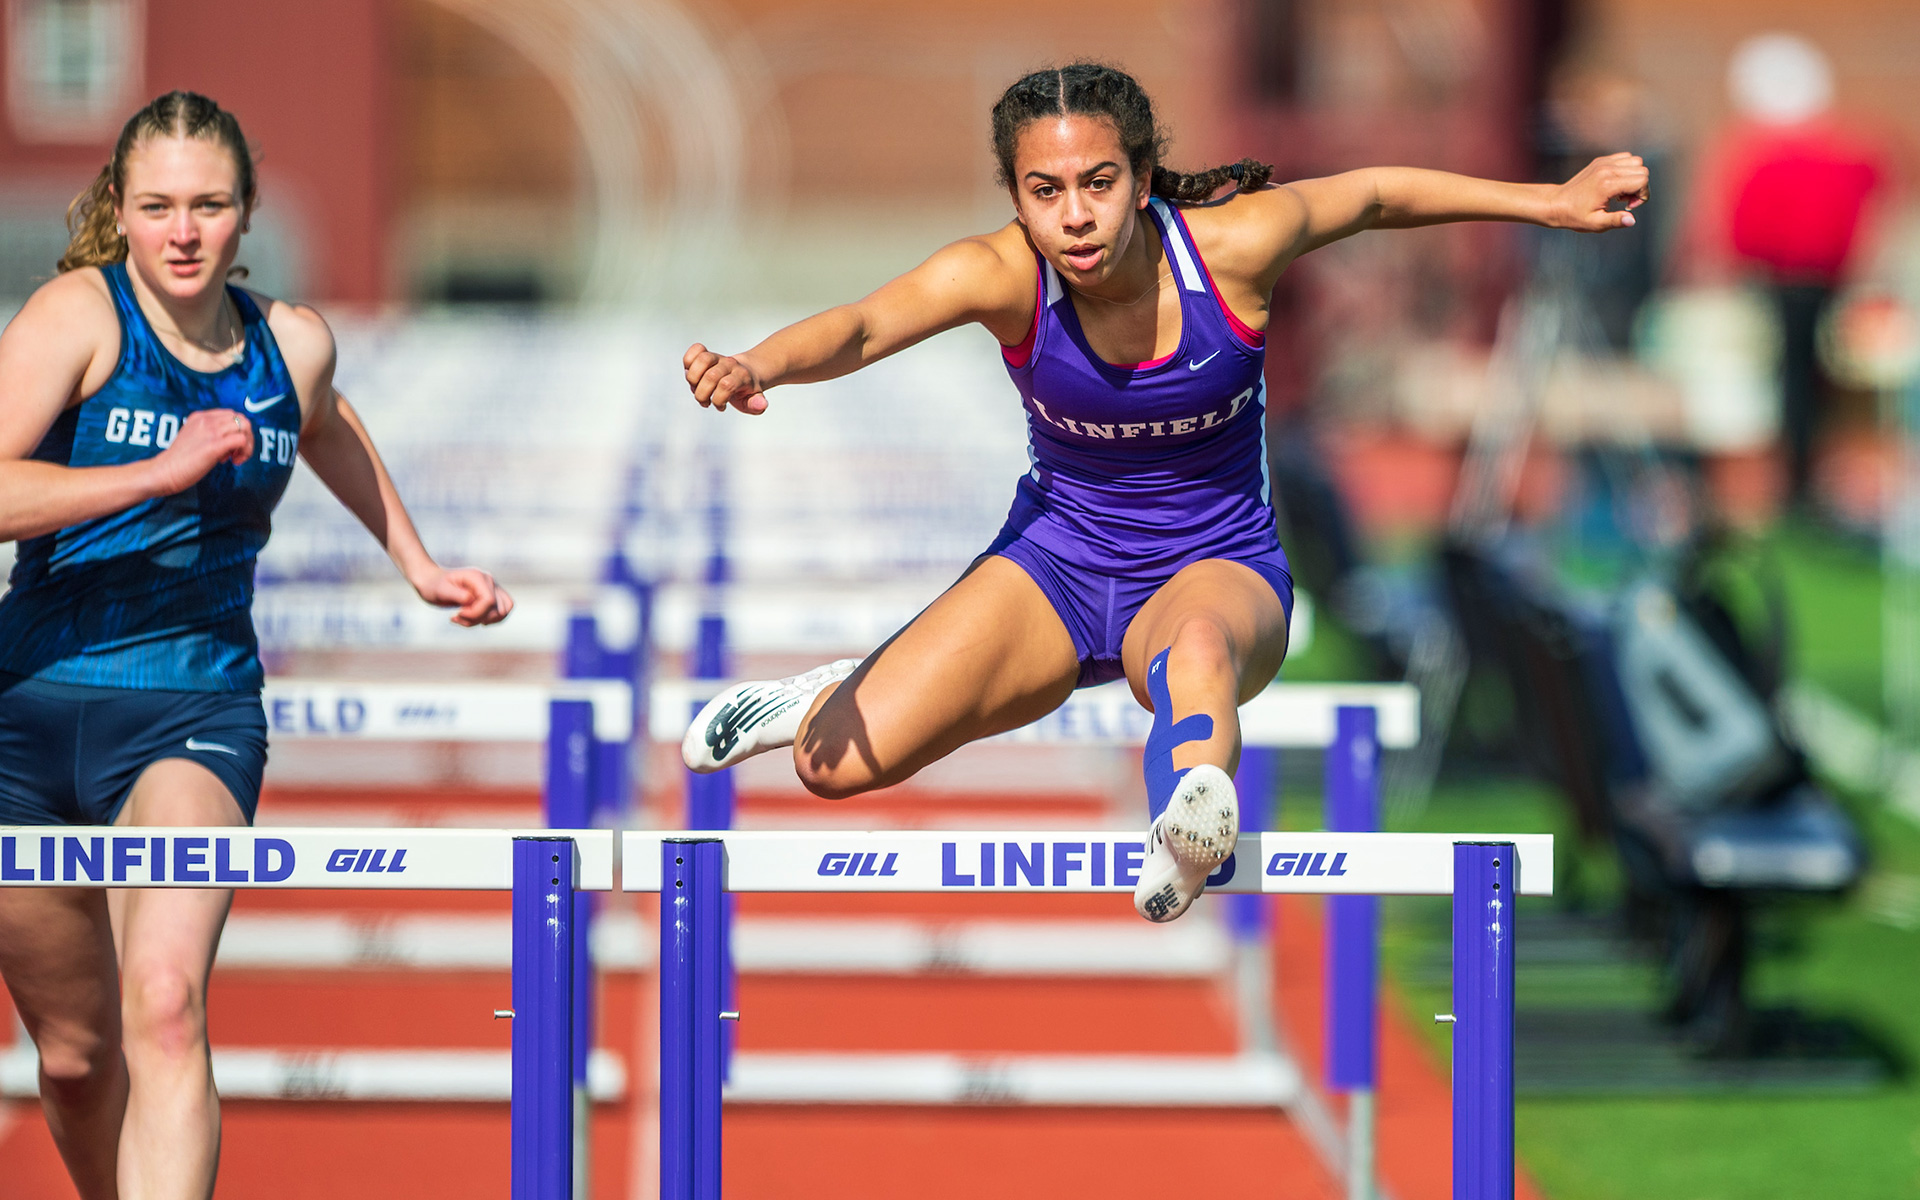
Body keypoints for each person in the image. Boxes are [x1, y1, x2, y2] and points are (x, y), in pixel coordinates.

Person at [681, 62, 1645, 924]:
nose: (1075, 216)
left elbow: (1378, 194)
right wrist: (755, 363)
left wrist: (1549, 202)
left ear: (1141, 180)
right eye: (1044, 191)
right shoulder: (1000, 273)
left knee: (1195, 651)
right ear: (1017, 199)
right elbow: (860, 327)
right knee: (834, 766)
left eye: (1098, 184)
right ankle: (847, 688)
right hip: (1058, 564)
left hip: (1215, 564)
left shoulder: (1232, 248)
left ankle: (1188, 828)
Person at [0, 92, 511, 1200]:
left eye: (209, 206)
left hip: (194, 710)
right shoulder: (75, 318)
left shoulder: (292, 342)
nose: (183, 232)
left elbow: (325, 422)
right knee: (81, 1061)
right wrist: (152, 472)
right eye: (158, 207)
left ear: (246, 213)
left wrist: (418, 563)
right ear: (120, 213)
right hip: (28, 716)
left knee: (169, 1006)